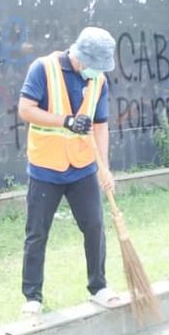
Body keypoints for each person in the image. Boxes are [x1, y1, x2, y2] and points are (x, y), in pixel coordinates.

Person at [17, 27, 120, 316]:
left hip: (82, 167)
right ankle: (32, 296)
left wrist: (104, 167)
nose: (97, 72)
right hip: (45, 168)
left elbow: (100, 125)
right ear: (82, 57)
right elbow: (25, 109)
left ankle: (98, 286)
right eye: (95, 66)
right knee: (37, 233)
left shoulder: (99, 80)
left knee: (94, 227)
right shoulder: (43, 68)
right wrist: (65, 121)